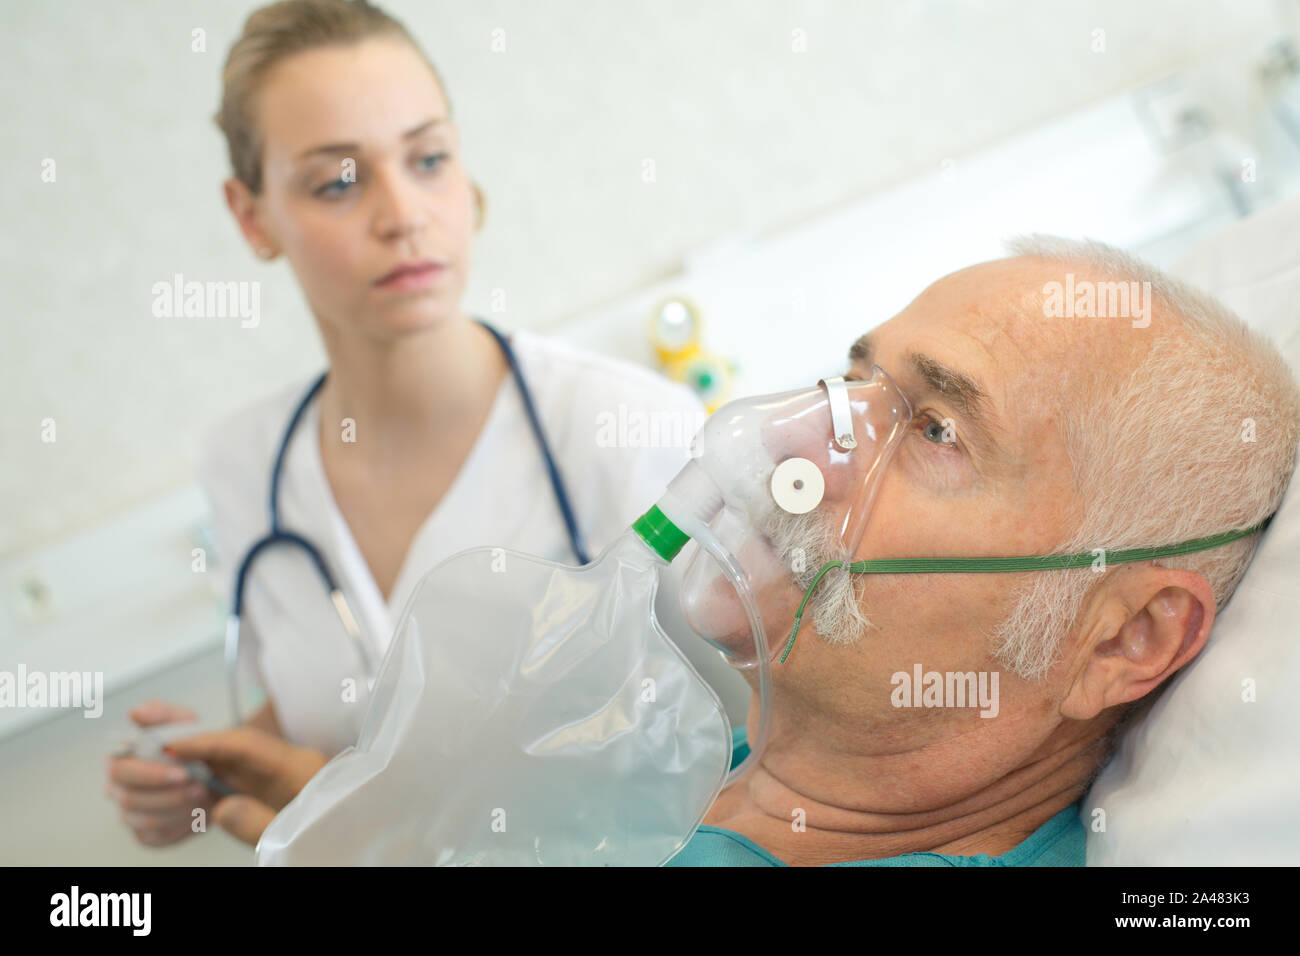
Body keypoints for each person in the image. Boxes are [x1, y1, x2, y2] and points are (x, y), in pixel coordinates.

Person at [105, 0, 733, 849]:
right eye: (338, 181)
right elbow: (313, 723)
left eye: (428, 158)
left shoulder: (625, 428)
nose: (402, 213)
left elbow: (749, 761)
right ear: (251, 217)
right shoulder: (244, 463)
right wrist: (202, 777)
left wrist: (351, 817)